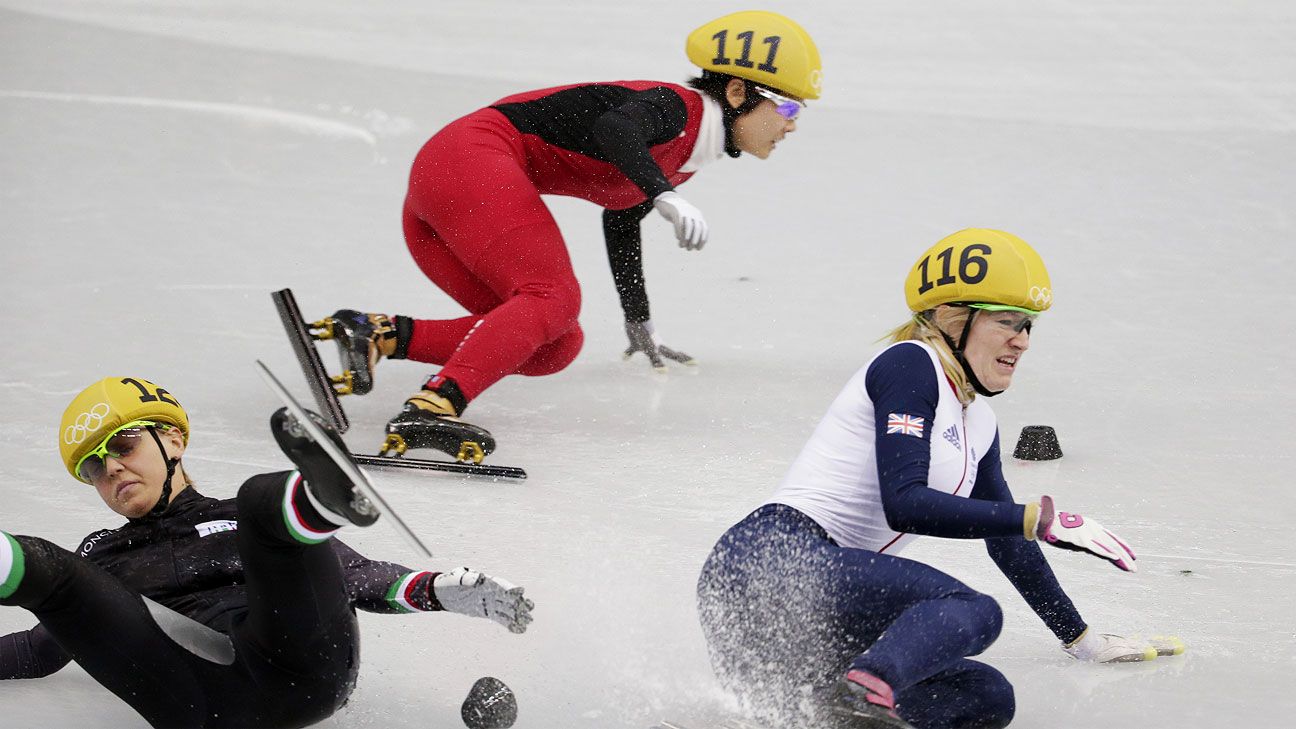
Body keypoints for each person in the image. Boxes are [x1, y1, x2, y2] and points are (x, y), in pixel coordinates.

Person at [694, 229, 1184, 729]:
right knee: (972, 609)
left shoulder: (979, 423)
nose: (1023, 340)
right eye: (1007, 321)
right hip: (768, 565)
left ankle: (827, 713)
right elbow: (904, 503)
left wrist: (1082, 640)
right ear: (955, 319)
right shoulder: (912, 364)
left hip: (816, 619)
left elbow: (1007, 544)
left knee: (985, 695)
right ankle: (860, 692)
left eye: (1029, 326)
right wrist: (1038, 519)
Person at [308, 10, 822, 461]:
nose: (793, 126)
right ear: (737, 92)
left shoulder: (685, 159)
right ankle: (434, 403)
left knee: (555, 344)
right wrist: (663, 194)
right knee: (553, 297)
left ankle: (379, 333)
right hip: (469, 158)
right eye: (790, 108)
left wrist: (637, 320)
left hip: (444, 193)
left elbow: (619, 222)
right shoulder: (673, 109)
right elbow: (613, 131)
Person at [1, 375, 533, 728]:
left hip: (302, 665)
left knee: (263, 501)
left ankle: (321, 499)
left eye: (123, 445)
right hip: (200, 699)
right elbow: (38, 651)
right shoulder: (104, 555)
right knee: (53, 569)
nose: (112, 468)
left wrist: (439, 590)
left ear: (173, 440)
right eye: (93, 467)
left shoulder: (236, 517)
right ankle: (314, 498)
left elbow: (356, 576)